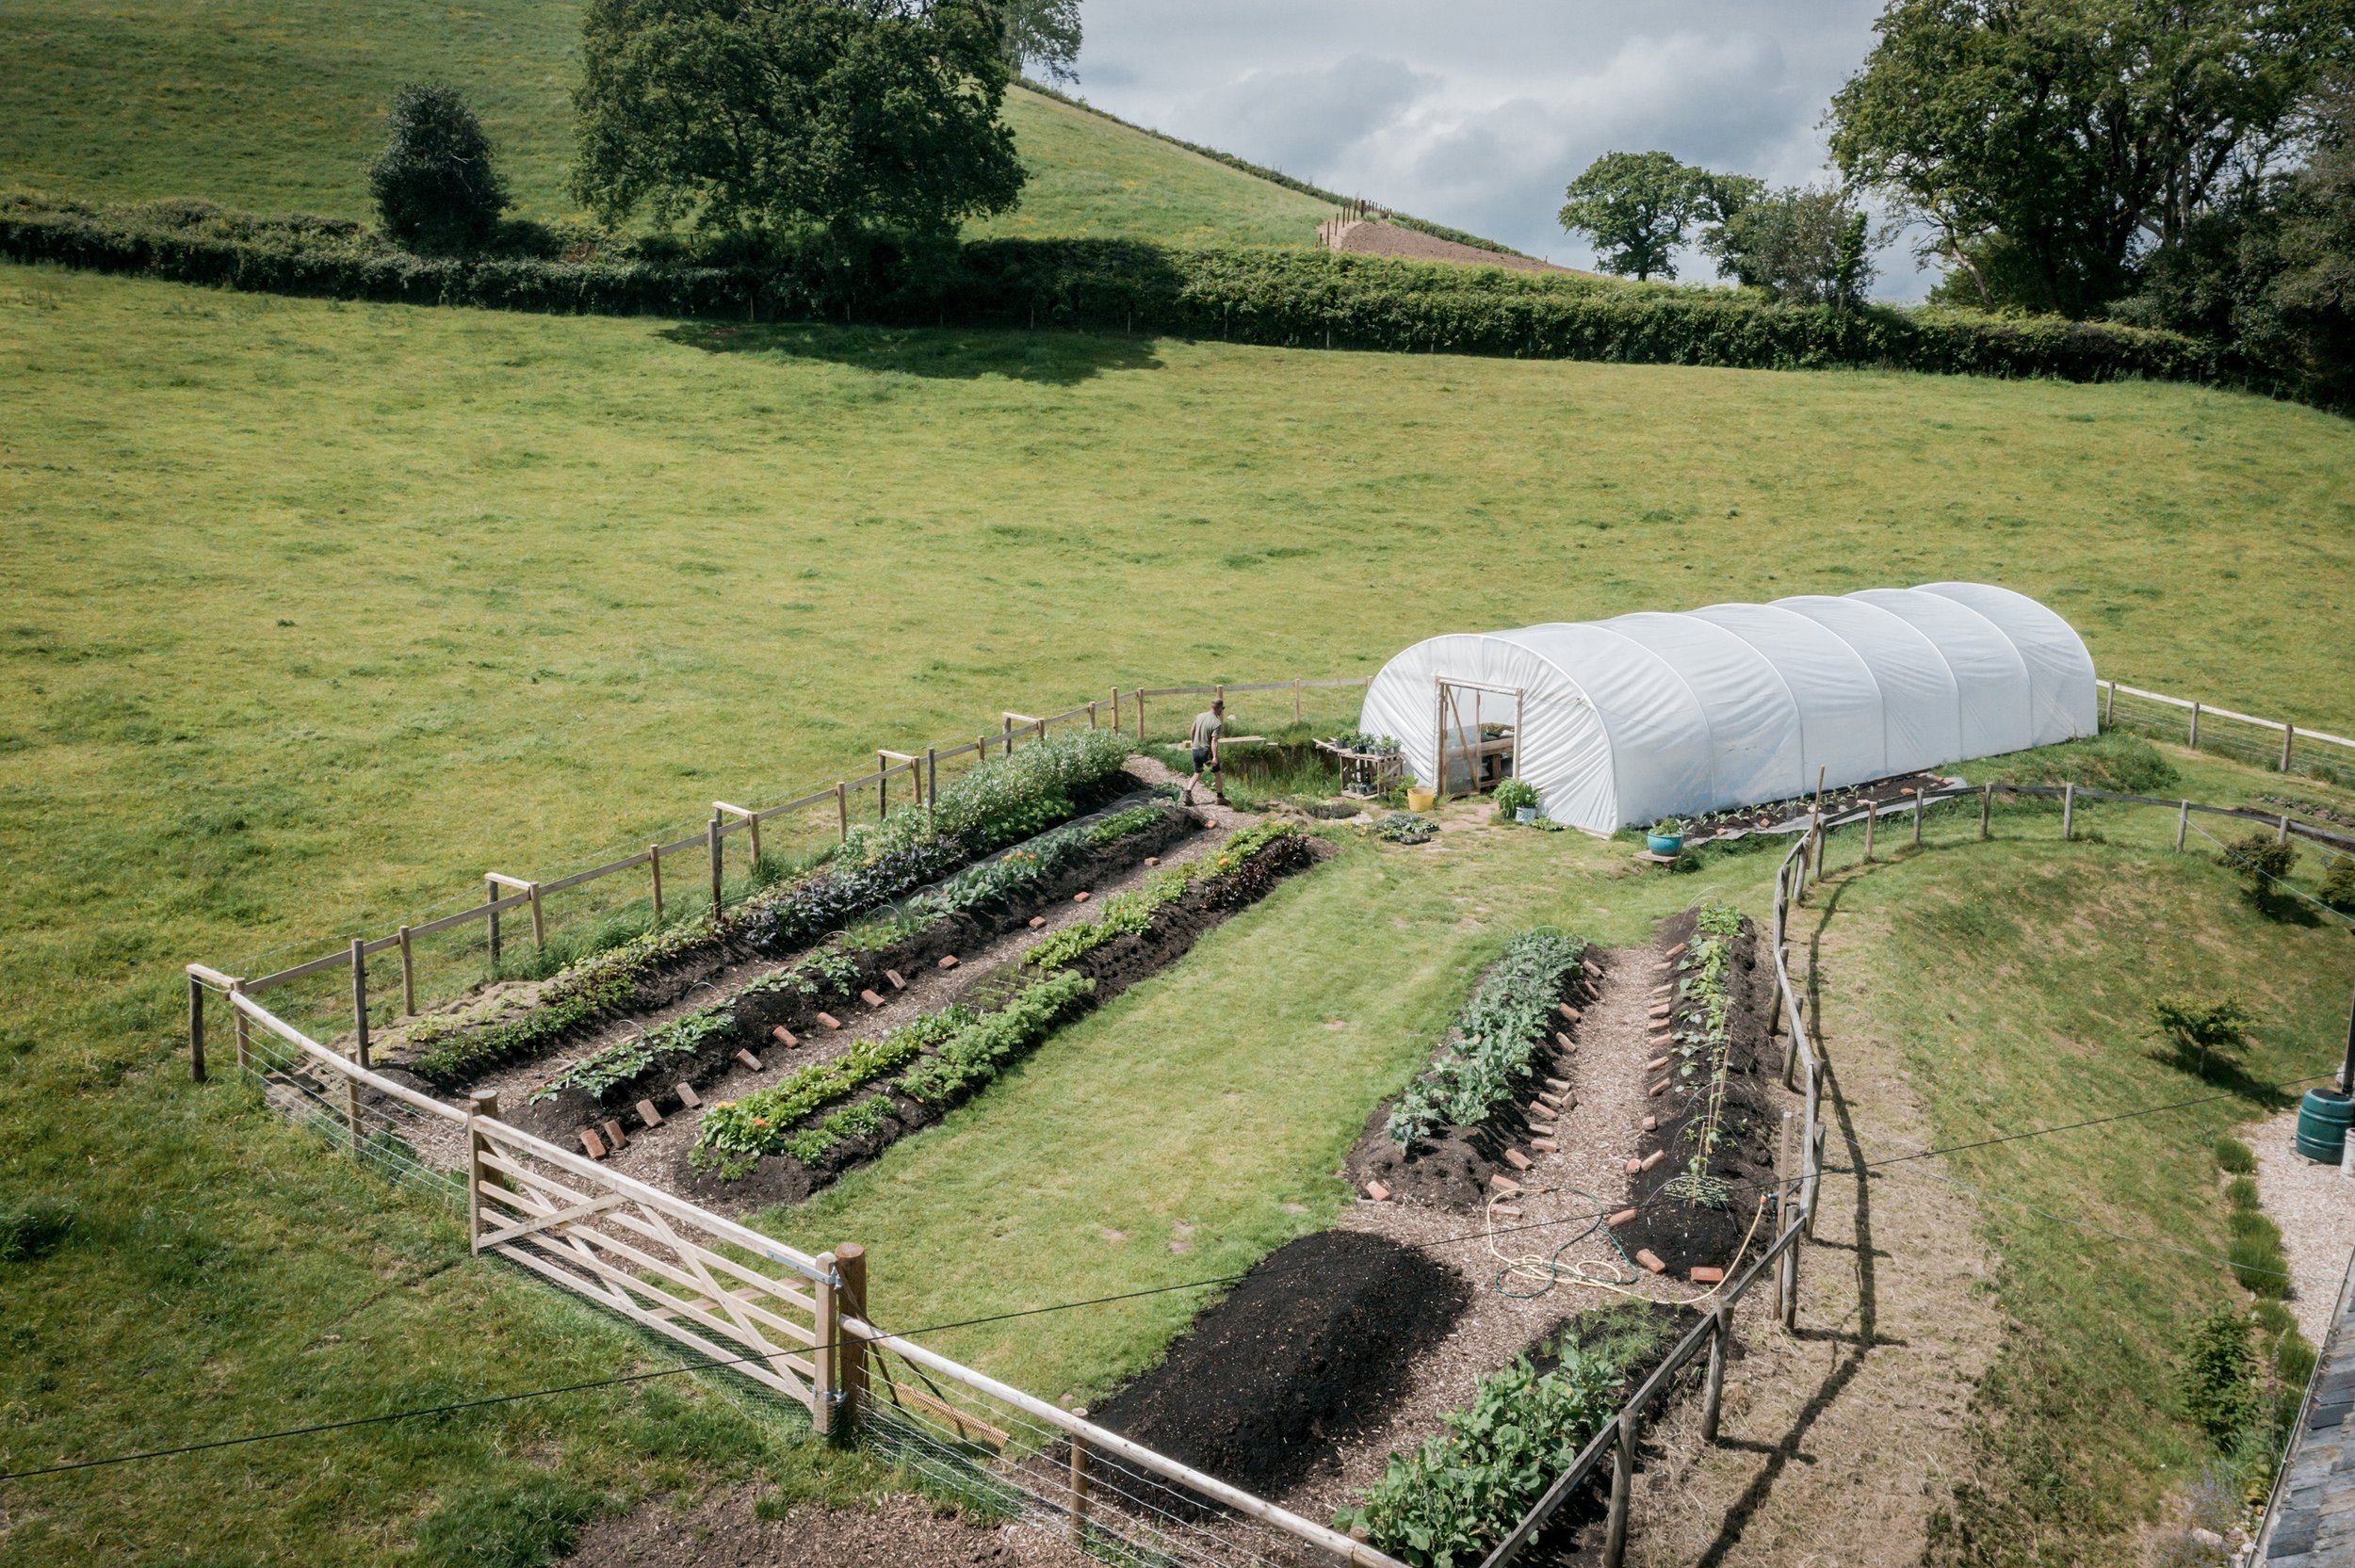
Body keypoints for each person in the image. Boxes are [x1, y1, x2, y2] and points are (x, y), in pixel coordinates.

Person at [1186, 700, 1225, 804]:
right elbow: (1214, 741)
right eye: (1222, 708)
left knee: (1197, 774)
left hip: (1195, 750)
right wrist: (1215, 757)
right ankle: (1220, 798)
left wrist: (1193, 742)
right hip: (1207, 753)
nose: (1222, 711)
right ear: (1219, 708)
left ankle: (1188, 792)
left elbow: (1192, 729)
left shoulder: (1200, 716)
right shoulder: (1216, 723)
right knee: (1217, 774)